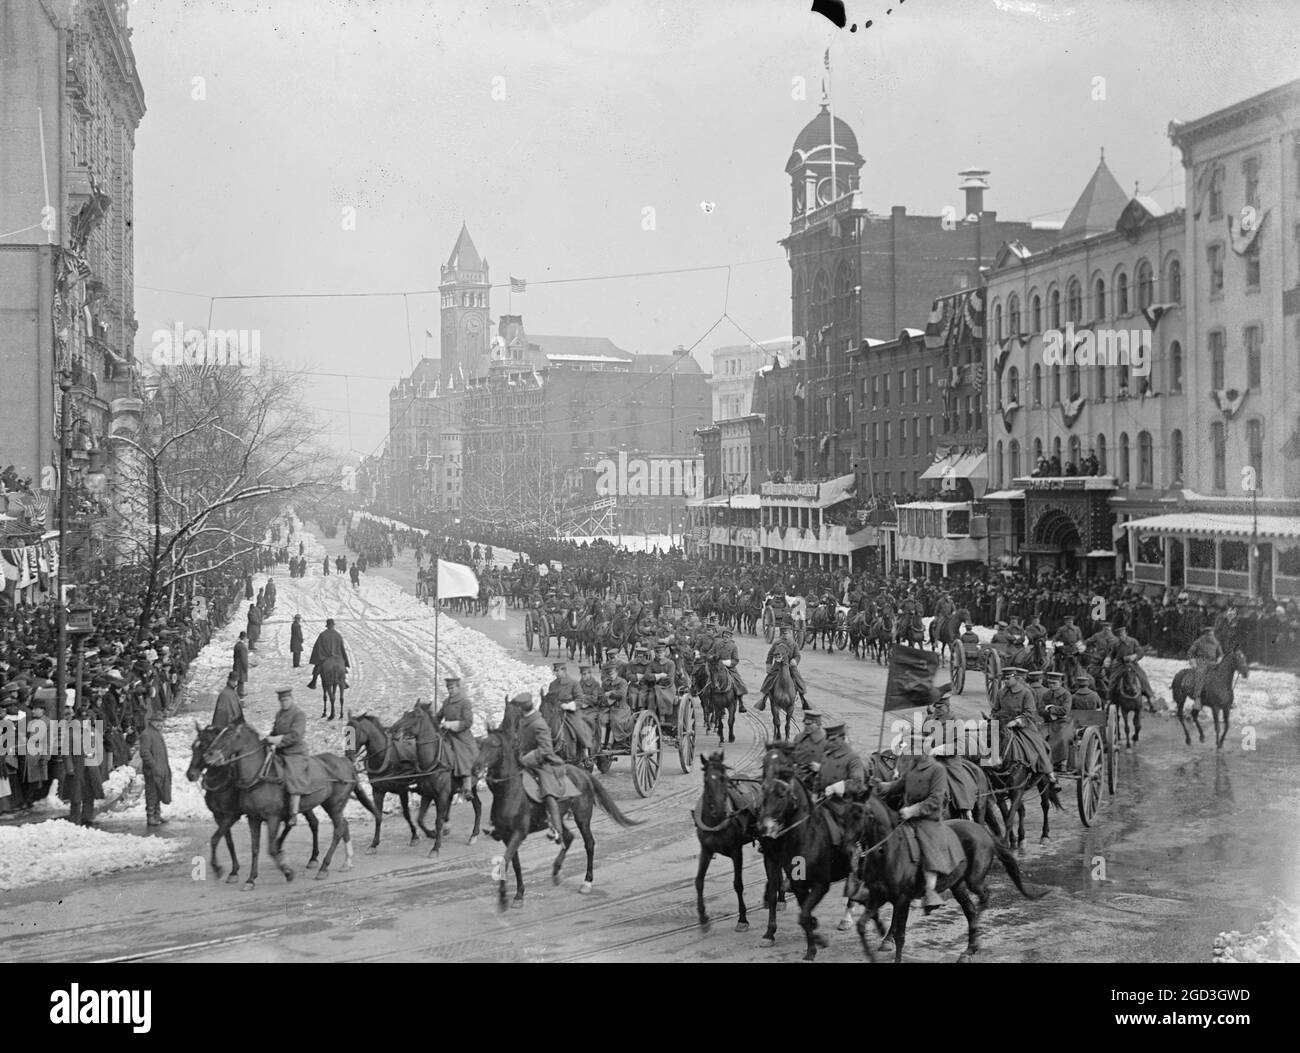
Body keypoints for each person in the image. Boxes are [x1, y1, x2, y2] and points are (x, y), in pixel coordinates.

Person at [874, 741, 967, 912]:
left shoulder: (938, 770)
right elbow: (900, 785)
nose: (909, 753)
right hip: (906, 815)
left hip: (928, 819)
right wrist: (883, 786)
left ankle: (929, 891)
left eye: (912, 750)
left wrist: (914, 810)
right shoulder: (913, 767)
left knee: (928, 848)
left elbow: (936, 799)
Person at [509, 690, 567, 842]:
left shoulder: (539, 724)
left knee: (547, 793)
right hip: (523, 762)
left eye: (517, 708)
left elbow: (546, 750)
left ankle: (556, 829)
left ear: (522, 709)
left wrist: (526, 759)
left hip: (543, 763)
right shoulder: (523, 721)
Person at [989, 667, 1056, 783]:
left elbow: (1030, 713)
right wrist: (993, 717)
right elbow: (995, 709)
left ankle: (1049, 772)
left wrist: (1016, 721)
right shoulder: (1001, 693)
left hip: (1023, 726)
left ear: (1015, 678)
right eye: (1004, 679)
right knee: (986, 739)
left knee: (1038, 744)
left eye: (1008, 678)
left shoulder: (1026, 693)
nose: (1006, 681)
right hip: (1003, 724)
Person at [264, 686, 310, 826]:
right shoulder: (279, 714)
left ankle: (293, 813)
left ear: (292, 699)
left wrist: (277, 741)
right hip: (279, 751)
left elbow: (296, 735)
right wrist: (267, 739)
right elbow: (275, 731)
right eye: (281, 700)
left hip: (295, 752)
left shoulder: (299, 714)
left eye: (286, 699)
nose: (284, 702)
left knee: (293, 776)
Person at [814, 719, 866, 841]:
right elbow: (819, 777)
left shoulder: (853, 758)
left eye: (834, 740)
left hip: (843, 804)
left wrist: (836, 787)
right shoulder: (827, 756)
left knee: (842, 838)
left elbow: (857, 783)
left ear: (843, 738)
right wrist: (814, 795)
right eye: (829, 740)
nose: (830, 743)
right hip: (823, 801)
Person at [435, 675, 476, 797]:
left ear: (458, 687)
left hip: (461, 735)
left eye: (452, 688)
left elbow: (468, 722)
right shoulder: (446, 702)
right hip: (446, 733)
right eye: (448, 688)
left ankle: (467, 786)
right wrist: (433, 721)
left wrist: (451, 724)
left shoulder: (465, 702)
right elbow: (439, 717)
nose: (450, 690)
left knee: (460, 754)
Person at [756, 625, 807, 712]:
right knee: (769, 679)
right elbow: (770, 654)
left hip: (790, 666)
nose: (785, 635)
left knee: (798, 679)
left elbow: (797, 655)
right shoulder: (777, 643)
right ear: (781, 634)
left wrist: (795, 660)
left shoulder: (793, 644)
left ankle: (803, 698)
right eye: (783, 633)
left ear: (790, 633)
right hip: (778, 667)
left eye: (787, 633)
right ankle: (763, 698)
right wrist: (769, 664)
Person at [139, 710, 172, 828]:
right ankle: (151, 816)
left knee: (159, 792)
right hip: (152, 771)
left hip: (161, 769)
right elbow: (144, 752)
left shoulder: (156, 733)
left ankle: (157, 814)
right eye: (157, 721)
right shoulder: (147, 734)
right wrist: (153, 765)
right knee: (152, 792)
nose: (159, 724)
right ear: (151, 722)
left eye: (161, 721)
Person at [1038, 670, 1073, 771]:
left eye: (1054, 683)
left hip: (1063, 722)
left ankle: (1062, 763)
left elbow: (1065, 710)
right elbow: (1040, 710)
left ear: (1060, 683)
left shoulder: (1066, 695)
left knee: (1062, 737)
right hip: (1048, 722)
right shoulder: (1046, 695)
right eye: (1049, 683)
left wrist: (1050, 708)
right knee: (1038, 736)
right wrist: (1048, 712)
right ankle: (1042, 762)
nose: (1051, 685)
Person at [707, 626, 748, 713]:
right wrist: (712, 657)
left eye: (728, 636)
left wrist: (726, 662)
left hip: (729, 668)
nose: (726, 637)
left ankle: (741, 703)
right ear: (722, 636)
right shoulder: (717, 645)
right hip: (716, 667)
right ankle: (710, 702)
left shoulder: (733, 647)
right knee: (709, 682)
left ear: (730, 637)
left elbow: (736, 660)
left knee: (738, 682)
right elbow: (709, 654)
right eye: (725, 636)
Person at [1187, 625, 1222, 715]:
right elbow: (1190, 652)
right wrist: (1193, 662)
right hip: (1201, 662)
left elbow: (1220, 654)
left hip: (1213, 663)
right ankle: (1198, 699)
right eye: (1208, 633)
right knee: (1200, 675)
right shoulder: (1199, 642)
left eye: (1212, 633)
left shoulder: (1216, 642)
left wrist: (1219, 660)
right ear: (1205, 634)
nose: (1210, 635)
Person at [308, 618, 350, 691]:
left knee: (316, 669)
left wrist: (319, 657)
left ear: (327, 626)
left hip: (325, 657)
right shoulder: (337, 635)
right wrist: (342, 658)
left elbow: (317, 647)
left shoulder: (322, 635)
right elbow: (341, 648)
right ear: (333, 625)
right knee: (342, 667)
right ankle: (343, 681)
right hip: (336, 657)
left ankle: (313, 682)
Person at [233, 632, 250, 698]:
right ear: (244, 638)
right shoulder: (243, 647)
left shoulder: (237, 645)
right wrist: (245, 667)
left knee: (239, 678)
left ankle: (239, 691)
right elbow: (244, 658)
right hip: (240, 665)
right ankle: (240, 691)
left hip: (236, 664)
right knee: (241, 679)